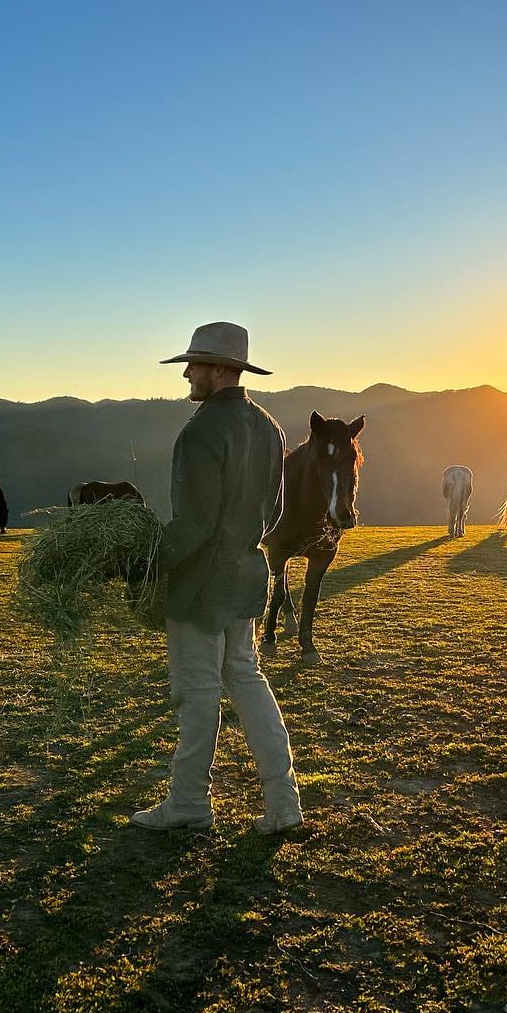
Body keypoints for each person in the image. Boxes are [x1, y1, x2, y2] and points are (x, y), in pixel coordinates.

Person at [130, 322, 303, 834]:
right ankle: (284, 803)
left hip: (201, 584)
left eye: (195, 364)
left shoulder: (202, 430)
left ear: (220, 370)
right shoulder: (270, 428)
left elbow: (194, 524)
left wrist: (149, 561)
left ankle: (188, 802)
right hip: (247, 575)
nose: (187, 373)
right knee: (247, 679)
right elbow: (274, 513)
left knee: (197, 692)